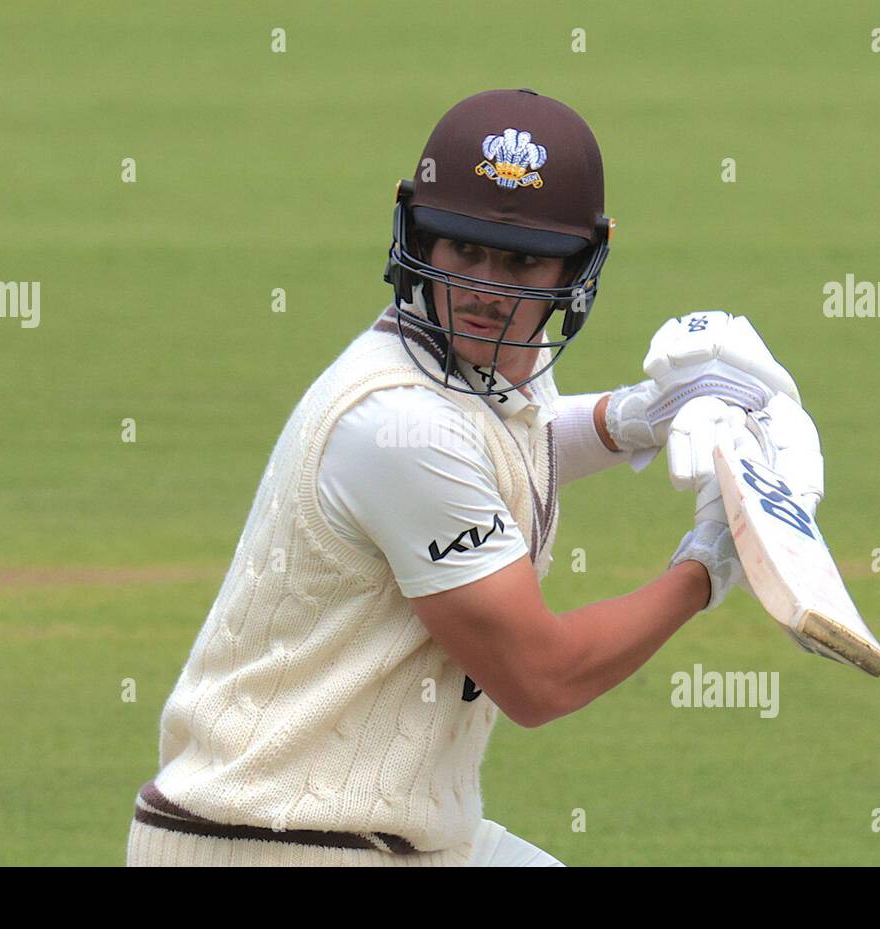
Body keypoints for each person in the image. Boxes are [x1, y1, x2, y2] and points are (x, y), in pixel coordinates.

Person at [126, 88, 821, 867]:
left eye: (521, 260)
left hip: (383, 834)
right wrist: (711, 561)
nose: (488, 288)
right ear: (418, 240)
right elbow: (540, 677)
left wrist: (638, 415)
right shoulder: (401, 428)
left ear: (577, 268)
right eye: (464, 249)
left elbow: (501, 445)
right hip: (277, 842)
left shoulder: (479, 380)